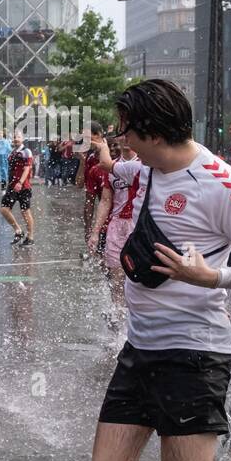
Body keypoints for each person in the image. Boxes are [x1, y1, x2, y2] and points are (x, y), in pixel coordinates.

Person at [86, 80, 231, 461]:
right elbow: (113, 171)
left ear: (151, 131)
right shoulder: (145, 169)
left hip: (195, 353)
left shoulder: (219, 183)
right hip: (142, 348)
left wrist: (213, 278)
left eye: (125, 128)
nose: (120, 137)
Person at [87, 128, 137, 325]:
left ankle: (136, 318)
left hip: (138, 224)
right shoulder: (111, 169)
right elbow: (105, 201)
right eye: (123, 136)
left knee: (137, 276)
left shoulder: (145, 165)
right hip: (116, 226)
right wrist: (95, 232)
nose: (126, 140)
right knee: (116, 276)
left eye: (130, 136)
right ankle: (118, 318)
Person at [0, 132, 34, 246]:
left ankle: (30, 237)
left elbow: (27, 168)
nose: (16, 139)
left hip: (23, 186)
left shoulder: (26, 151)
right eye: (14, 137)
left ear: (23, 139)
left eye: (18, 137)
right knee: (4, 209)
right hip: (12, 185)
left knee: (25, 211)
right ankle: (18, 231)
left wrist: (20, 182)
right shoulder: (12, 152)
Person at [83, 124, 111, 244]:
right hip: (105, 221)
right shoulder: (91, 160)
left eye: (87, 138)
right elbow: (89, 198)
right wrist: (88, 228)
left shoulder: (116, 152)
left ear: (98, 135)